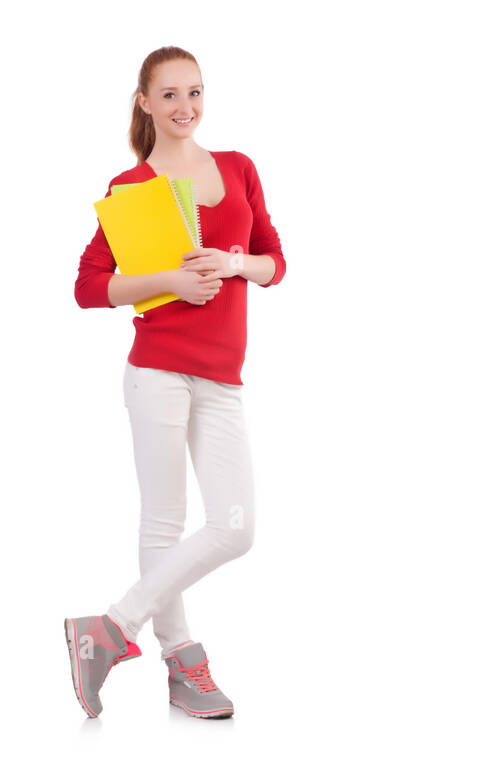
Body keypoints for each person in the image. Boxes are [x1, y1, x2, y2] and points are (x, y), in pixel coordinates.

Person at [66, 46, 285, 719]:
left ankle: (107, 630)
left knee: (236, 525)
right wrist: (168, 281)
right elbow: (87, 287)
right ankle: (182, 663)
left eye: (194, 93)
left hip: (222, 375)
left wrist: (233, 261)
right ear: (145, 102)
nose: (184, 107)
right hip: (157, 367)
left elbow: (276, 263)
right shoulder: (130, 188)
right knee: (163, 520)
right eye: (169, 96)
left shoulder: (239, 169)